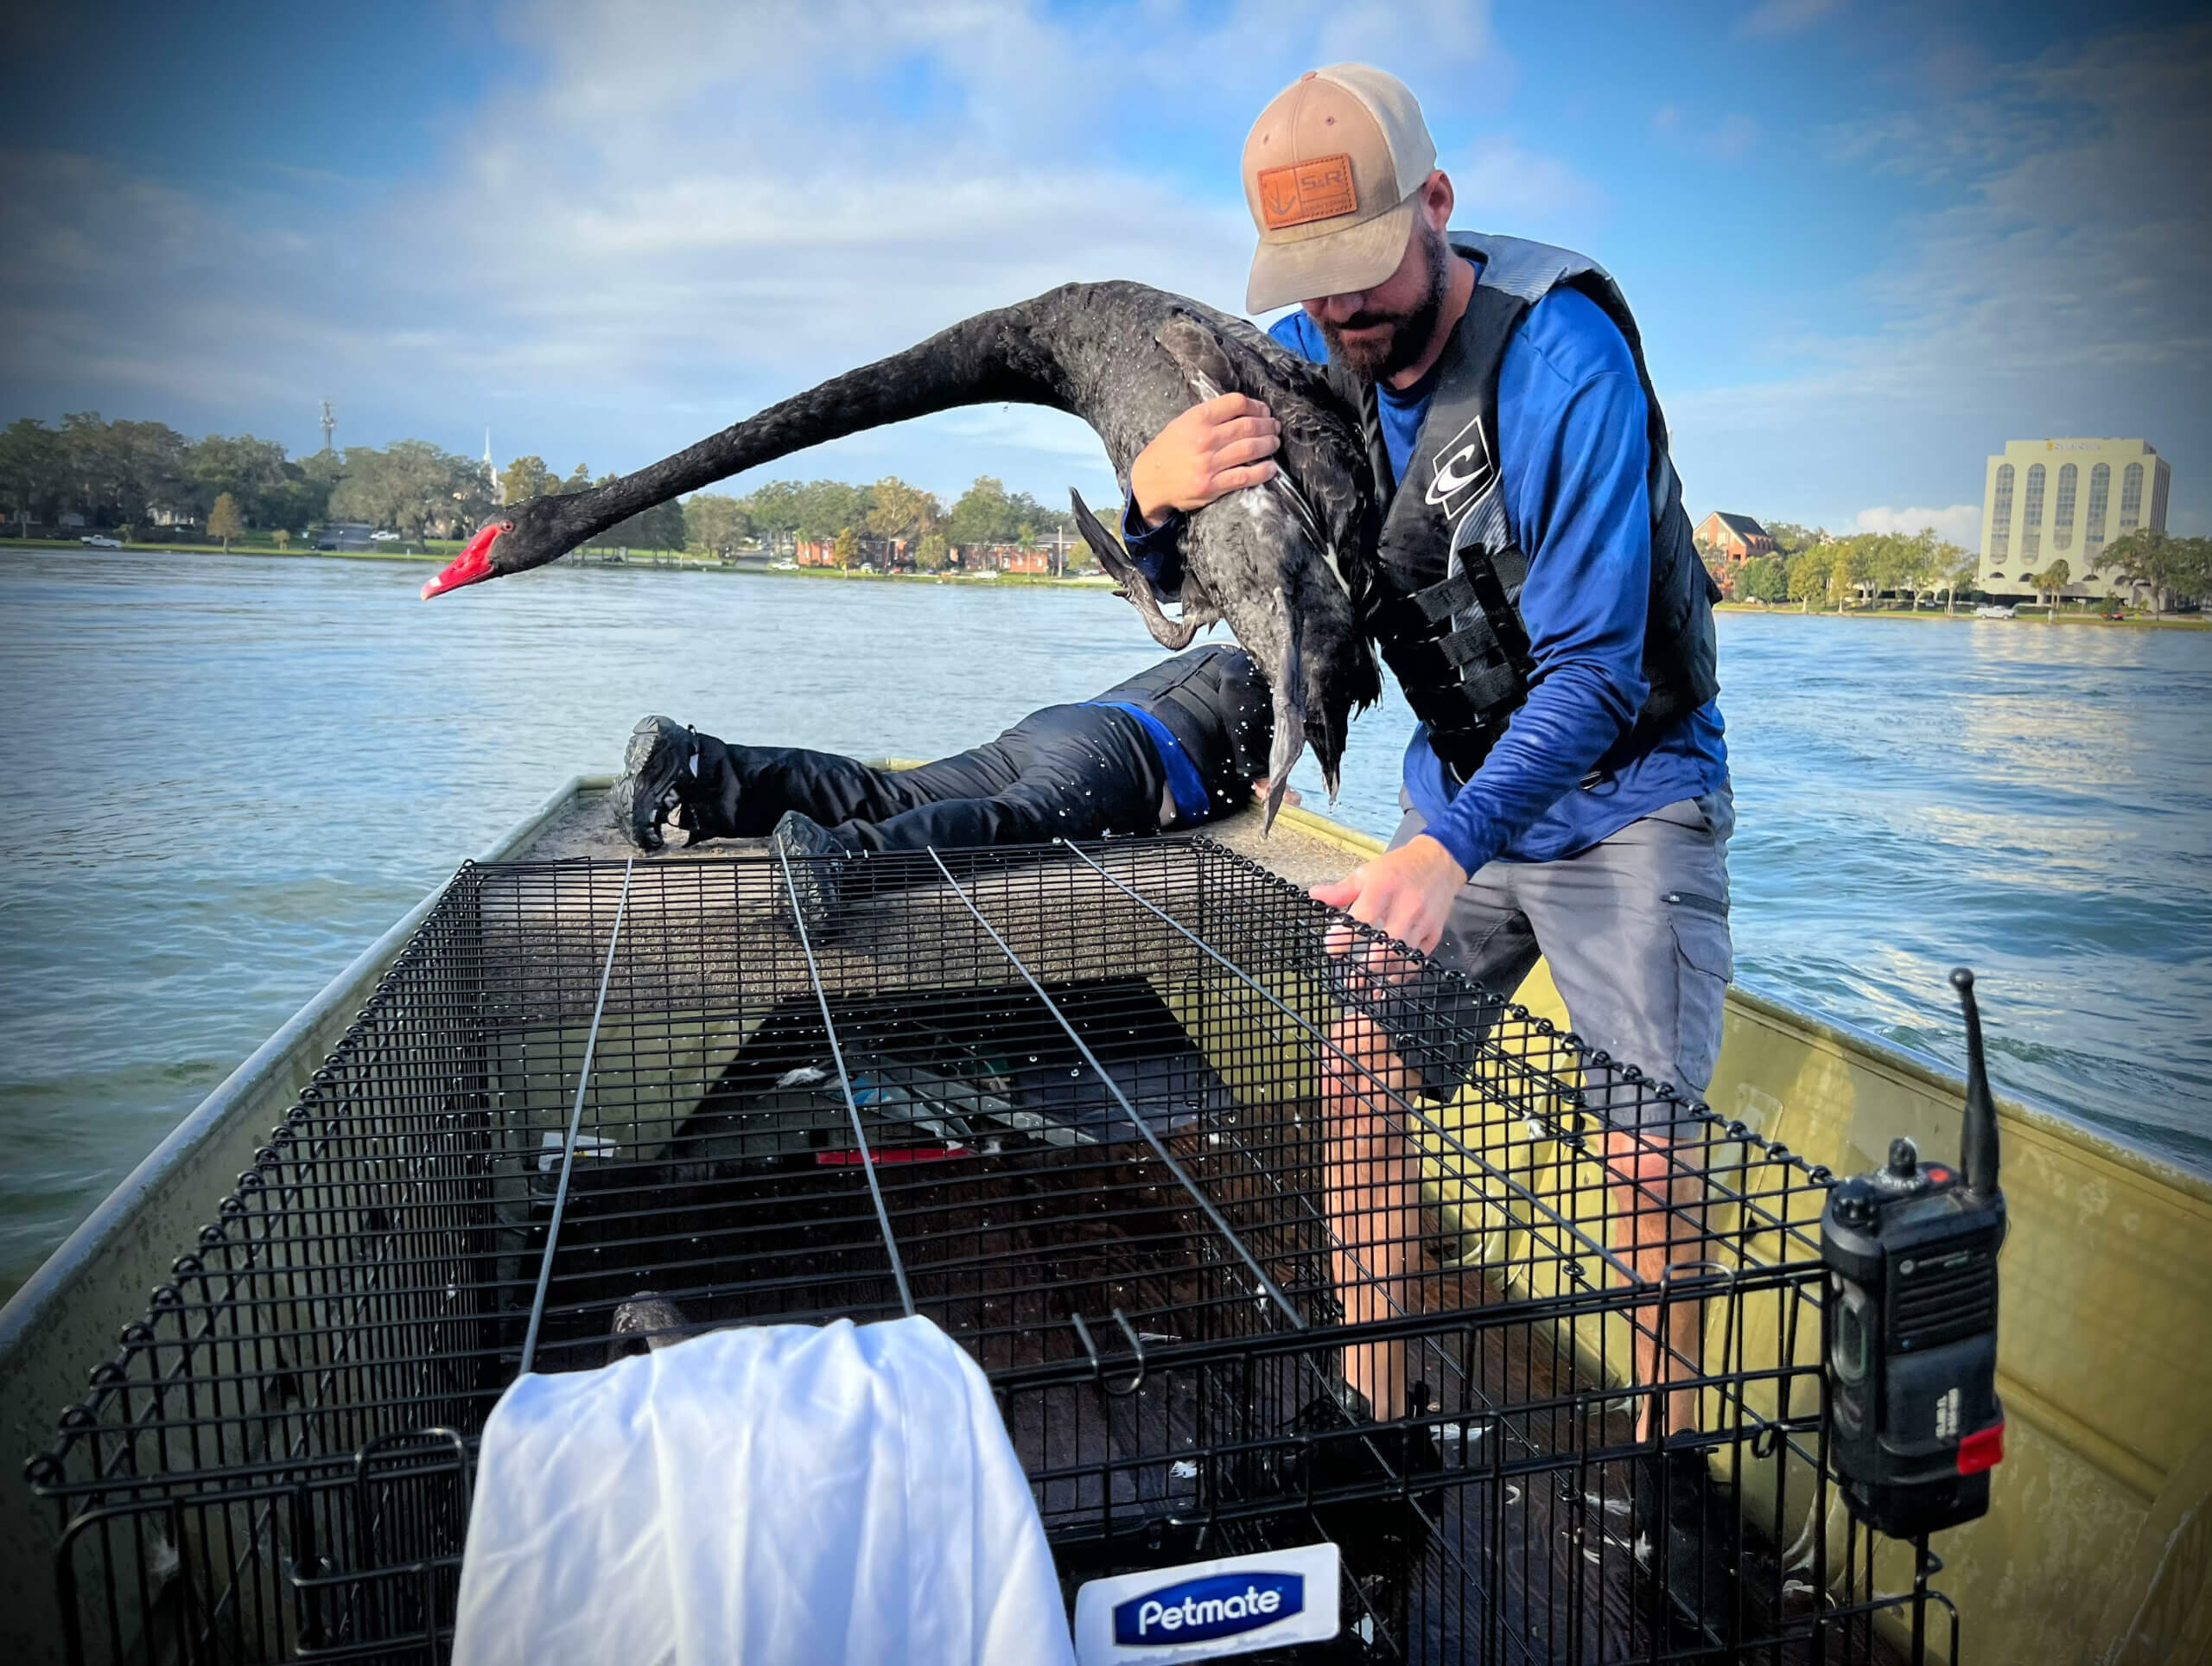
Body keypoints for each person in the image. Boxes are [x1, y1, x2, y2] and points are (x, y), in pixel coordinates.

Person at [1118, 64, 1734, 1595]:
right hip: (1457, 804)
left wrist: (1446, 848)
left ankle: (1666, 1470)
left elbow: (1598, 670)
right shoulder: (1287, 366)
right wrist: (1150, 500)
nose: (1346, 319)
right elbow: (1210, 589)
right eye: (1312, 292)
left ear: (1439, 209)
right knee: (1357, 1061)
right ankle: (1378, 1420)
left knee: (1648, 1150)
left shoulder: (1563, 359)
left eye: (1368, 277)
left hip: (1626, 802)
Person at [609, 642, 1276, 859]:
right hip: (1118, 752)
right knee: (1019, 823)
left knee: (894, 790)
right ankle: (842, 855)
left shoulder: (1191, 666)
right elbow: (1238, 666)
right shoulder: (1254, 660)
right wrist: (1259, 772)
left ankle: (695, 776)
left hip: (1055, 728)